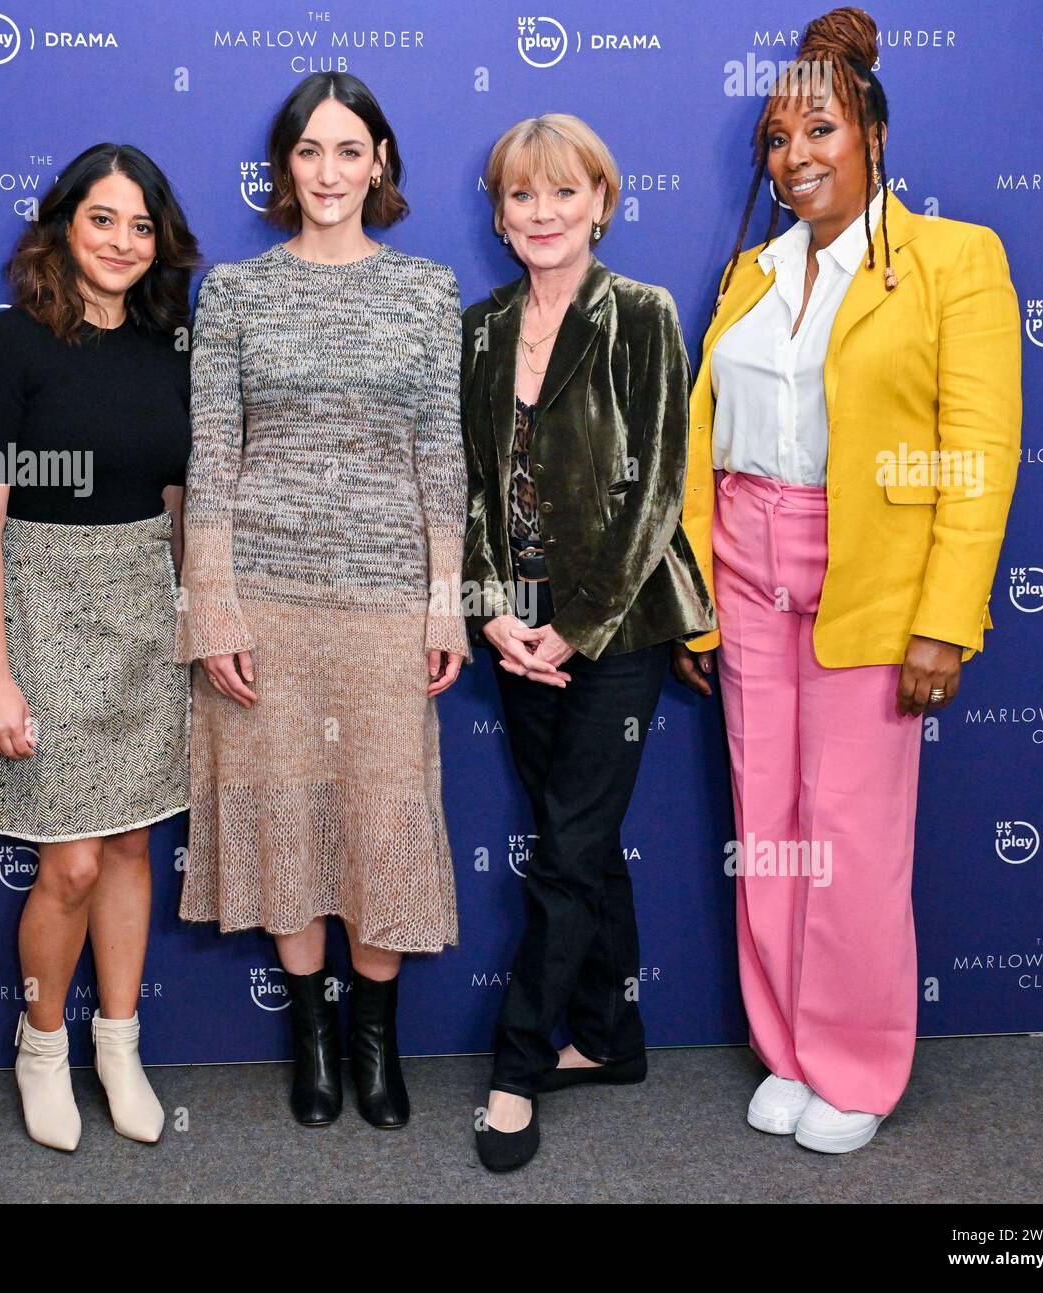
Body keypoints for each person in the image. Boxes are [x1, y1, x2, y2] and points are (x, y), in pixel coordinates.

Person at [675, 6, 1021, 1153]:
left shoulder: (952, 260)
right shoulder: (748, 272)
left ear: (870, 131)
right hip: (741, 562)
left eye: (817, 128)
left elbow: (973, 457)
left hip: (866, 574)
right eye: (777, 138)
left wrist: (945, 622)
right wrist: (696, 592)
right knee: (766, 824)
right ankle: (787, 1049)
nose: (794, 156)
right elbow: (707, 435)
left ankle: (855, 1065)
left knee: (853, 835)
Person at [175, 72, 468, 1131]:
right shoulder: (240, 294)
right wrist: (212, 607)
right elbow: (212, 454)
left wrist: (447, 607)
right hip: (265, 599)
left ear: (380, 162)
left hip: (388, 602)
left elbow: (443, 457)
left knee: (382, 815)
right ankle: (311, 1039)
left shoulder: (425, 290)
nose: (330, 172)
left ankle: (374, 1044)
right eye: (309, 152)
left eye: (350, 151)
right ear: (283, 167)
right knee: (283, 811)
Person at [461, 114, 715, 1172]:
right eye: (523, 196)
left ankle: (518, 1068)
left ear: (602, 202)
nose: (544, 213)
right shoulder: (477, 327)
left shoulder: (642, 315)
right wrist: (490, 608)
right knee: (584, 841)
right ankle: (609, 1039)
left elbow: (657, 489)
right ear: (500, 214)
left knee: (563, 852)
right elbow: (468, 485)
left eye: (565, 193)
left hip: (618, 625)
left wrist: (576, 626)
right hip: (514, 625)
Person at [0, 143, 198, 1151]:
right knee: (72, 865)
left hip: (147, 608)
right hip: (42, 611)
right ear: (62, 225)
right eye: (104, 220)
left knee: (135, 841)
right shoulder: (8, 348)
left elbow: (178, 503)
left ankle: (119, 1044)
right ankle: (43, 1043)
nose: (123, 243)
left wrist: (196, 621)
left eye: (142, 226)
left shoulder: (166, 343)